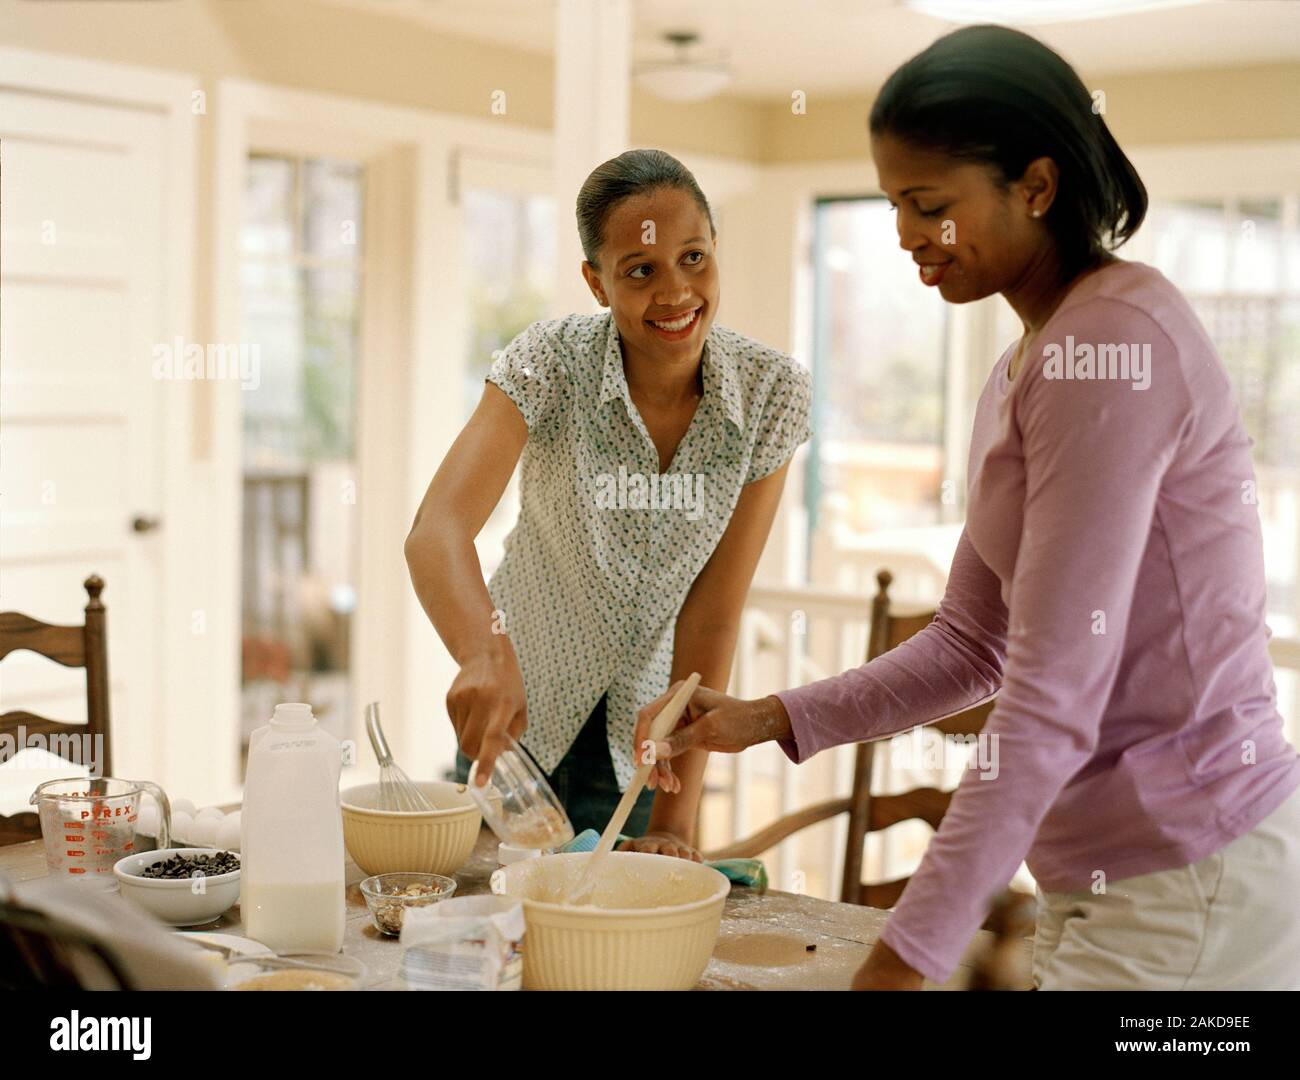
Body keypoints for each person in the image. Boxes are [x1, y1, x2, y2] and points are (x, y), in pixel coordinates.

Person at [637, 26, 1300, 989]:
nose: (904, 233)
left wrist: (905, 955)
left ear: (1035, 186)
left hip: (1193, 883)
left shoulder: (1114, 342)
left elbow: (1052, 696)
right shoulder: (1025, 364)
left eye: (929, 204)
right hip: (1108, 879)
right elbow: (967, 645)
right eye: (893, 203)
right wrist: (764, 717)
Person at [405, 149, 812, 855]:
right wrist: (480, 654)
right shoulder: (551, 361)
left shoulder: (773, 392)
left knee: (614, 957)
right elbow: (436, 529)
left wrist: (677, 825)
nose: (676, 293)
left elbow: (713, 614)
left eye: (694, 258)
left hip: (647, 755)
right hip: (515, 726)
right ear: (596, 283)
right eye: (640, 271)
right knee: (499, 940)